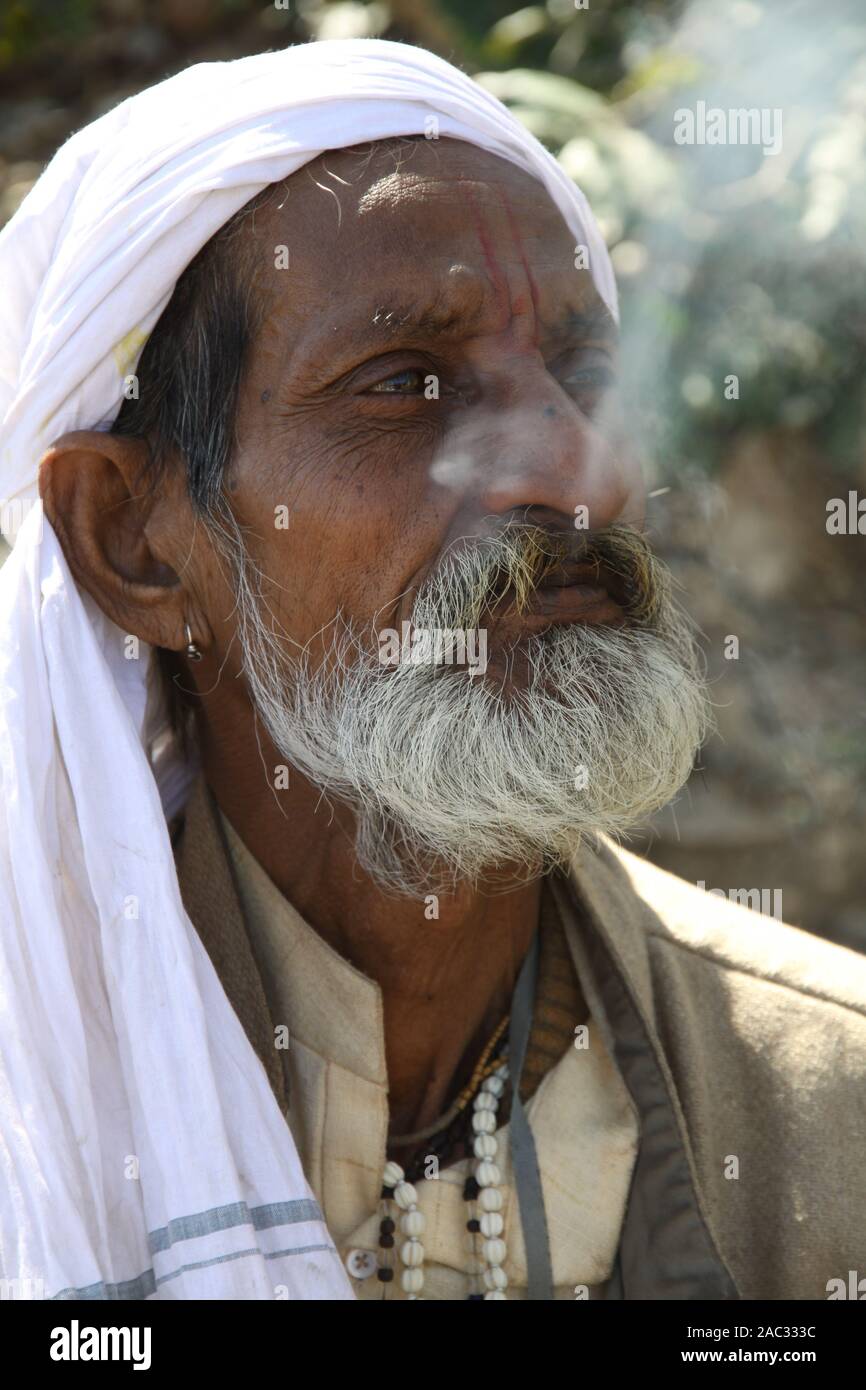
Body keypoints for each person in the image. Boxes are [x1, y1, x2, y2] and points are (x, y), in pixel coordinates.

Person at [1, 38, 865, 1304]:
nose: (585, 476)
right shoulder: (41, 1109)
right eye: (407, 383)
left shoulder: (826, 1108)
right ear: (135, 542)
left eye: (581, 375)